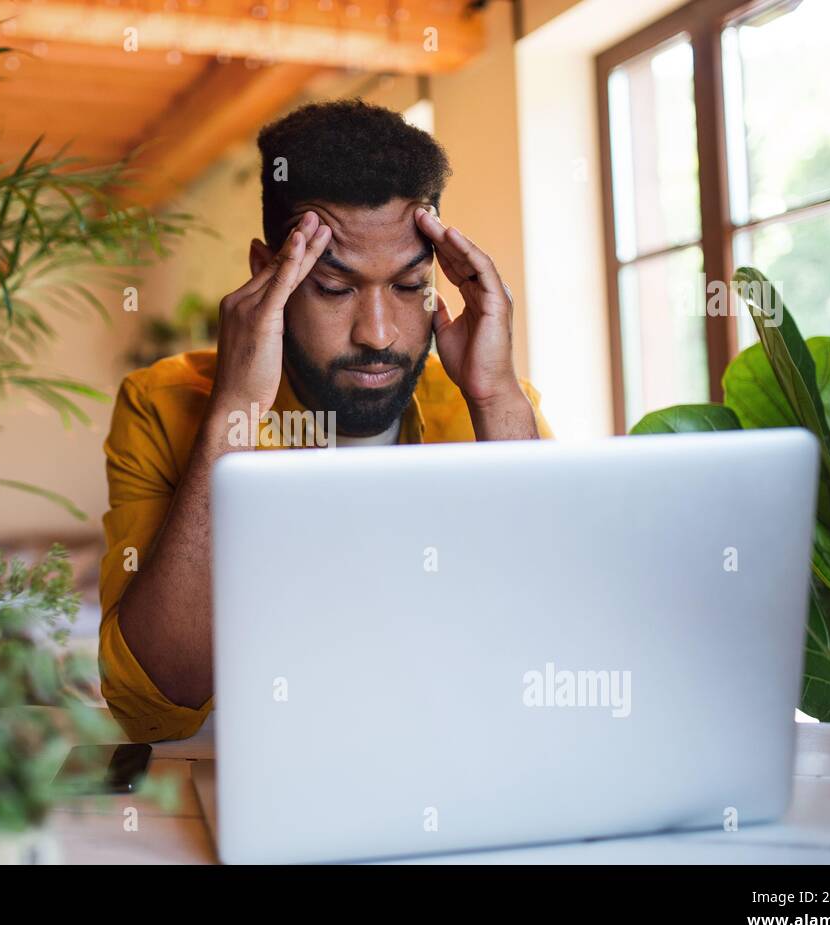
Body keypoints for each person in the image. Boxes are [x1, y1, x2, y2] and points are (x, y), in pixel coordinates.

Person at [98, 99, 554, 742]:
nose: (378, 335)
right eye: (334, 289)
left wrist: (498, 398)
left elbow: (552, 650)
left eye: (408, 287)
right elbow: (153, 705)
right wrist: (234, 415)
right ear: (268, 275)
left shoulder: (493, 407)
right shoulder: (164, 403)